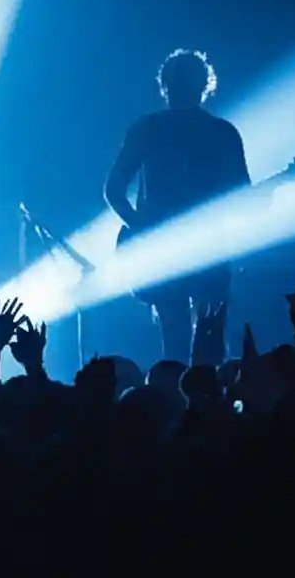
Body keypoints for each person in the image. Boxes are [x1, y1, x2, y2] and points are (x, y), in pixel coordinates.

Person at [104, 50, 250, 364]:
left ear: (165, 85)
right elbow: (244, 199)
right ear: (205, 86)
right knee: (207, 339)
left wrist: (141, 227)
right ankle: (207, 403)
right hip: (208, 247)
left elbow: (114, 190)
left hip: (172, 247)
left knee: (176, 338)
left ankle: (177, 400)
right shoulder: (222, 133)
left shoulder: (147, 128)